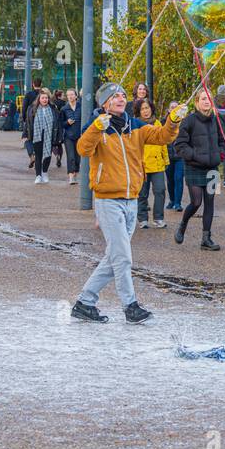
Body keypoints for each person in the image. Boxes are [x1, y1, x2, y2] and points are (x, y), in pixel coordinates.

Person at [71, 84, 186, 324]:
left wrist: (172, 120)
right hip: (107, 200)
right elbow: (83, 148)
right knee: (122, 257)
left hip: (131, 200)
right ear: (105, 103)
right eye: (114, 96)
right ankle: (130, 306)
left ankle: (85, 302)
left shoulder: (135, 126)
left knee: (114, 257)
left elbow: (162, 136)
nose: (120, 98)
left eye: (123, 95)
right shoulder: (97, 127)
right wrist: (95, 128)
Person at [172, 90, 225, 250]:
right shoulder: (189, 121)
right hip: (194, 167)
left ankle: (206, 239)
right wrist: (194, 155)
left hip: (213, 169)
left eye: (209, 98)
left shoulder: (216, 121)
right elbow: (180, 144)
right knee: (196, 202)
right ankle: (183, 225)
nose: (206, 101)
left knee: (210, 202)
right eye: (203, 99)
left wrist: (220, 155)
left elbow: (223, 140)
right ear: (197, 102)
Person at [132, 98, 170, 229]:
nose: (145, 111)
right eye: (142, 109)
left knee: (160, 190)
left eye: (147, 108)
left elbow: (163, 142)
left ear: (151, 109)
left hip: (157, 164)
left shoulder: (158, 123)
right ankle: (142, 219)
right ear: (138, 111)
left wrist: (166, 159)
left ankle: (158, 218)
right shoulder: (136, 125)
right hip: (141, 164)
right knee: (142, 193)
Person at [24, 88, 61, 184]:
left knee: (48, 155)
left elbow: (57, 123)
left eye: (46, 98)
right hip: (37, 135)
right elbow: (28, 123)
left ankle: (44, 172)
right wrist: (26, 134)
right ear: (39, 99)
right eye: (42, 98)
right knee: (38, 156)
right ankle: (38, 176)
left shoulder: (53, 109)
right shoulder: (32, 109)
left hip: (49, 135)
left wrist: (58, 136)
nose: (44, 100)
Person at [165, 101, 185, 210]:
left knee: (178, 179)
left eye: (176, 107)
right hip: (168, 156)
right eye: (172, 107)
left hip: (180, 156)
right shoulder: (164, 122)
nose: (174, 109)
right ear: (168, 110)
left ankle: (178, 203)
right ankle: (172, 200)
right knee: (170, 179)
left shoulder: (184, 122)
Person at [61, 88, 82, 185]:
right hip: (68, 136)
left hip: (80, 136)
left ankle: (75, 174)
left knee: (77, 157)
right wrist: (67, 122)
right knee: (71, 156)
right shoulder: (64, 109)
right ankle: (71, 177)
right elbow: (61, 123)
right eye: (68, 95)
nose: (70, 96)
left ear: (76, 96)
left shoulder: (81, 107)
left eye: (72, 94)